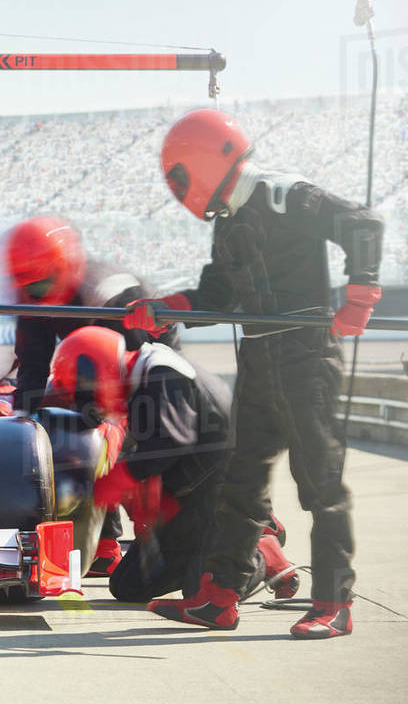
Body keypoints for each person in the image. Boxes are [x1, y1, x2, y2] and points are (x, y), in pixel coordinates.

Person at [130, 108, 383, 638]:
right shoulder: (230, 223)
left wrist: (361, 292)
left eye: (178, 177)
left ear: (199, 162)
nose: (177, 188)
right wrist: (169, 306)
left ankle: (334, 601)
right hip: (261, 358)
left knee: (320, 485)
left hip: (307, 354)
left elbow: (362, 222)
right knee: (240, 483)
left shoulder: (282, 193)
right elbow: (219, 297)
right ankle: (218, 598)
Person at [46, 326, 297, 605]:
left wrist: (122, 478)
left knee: (199, 590)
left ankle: (261, 552)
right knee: (128, 586)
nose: (93, 404)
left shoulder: (163, 373)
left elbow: (171, 443)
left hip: (219, 494)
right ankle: (210, 557)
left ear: (97, 371)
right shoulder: (139, 379)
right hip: (189, 493)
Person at [0, 215, 179, 576]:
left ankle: (159, 530)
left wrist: (107, 420)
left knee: (124, 442)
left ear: (64, 266)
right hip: (90, 368)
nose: (36, 294)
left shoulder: (111, 294)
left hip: (143, 365)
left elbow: (134, 371)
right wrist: (24, 422)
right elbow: (32, 363)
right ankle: (106, 545)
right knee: (65, 428)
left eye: (43, 284)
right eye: (28, 288)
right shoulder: (30, 289)